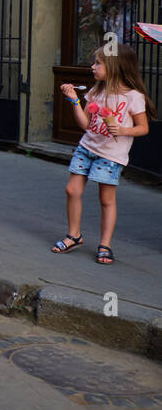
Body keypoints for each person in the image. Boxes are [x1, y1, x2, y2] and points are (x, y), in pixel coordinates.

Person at [54, 46, 154, 265]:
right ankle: (74, 236)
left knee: (106, 199)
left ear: (115, 67)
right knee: (71, 189)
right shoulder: (96, 92)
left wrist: (124, 130)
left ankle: (105, 245)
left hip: (110, 155)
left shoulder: (133, 97)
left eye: (98, 63)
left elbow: (143, 127)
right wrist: (74, 101)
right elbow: (86, 125)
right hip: (87, 148)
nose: (93, 67)